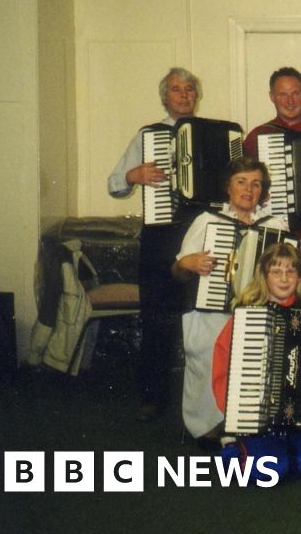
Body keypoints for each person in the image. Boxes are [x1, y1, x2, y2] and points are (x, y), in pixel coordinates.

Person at [171, 157, 289, 447]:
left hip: (260, 311)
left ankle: (248, 424)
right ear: (228, 187)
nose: (248, 190)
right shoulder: (206, 222)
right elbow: (177, 273)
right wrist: (189, 262)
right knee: (208, 355)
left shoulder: (275, 225)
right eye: (241, 182)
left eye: (256, 183)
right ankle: (209, 428)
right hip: (214, 309)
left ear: (264, 191)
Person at [106, 67, 201, 422]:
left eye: (189, 89)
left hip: (200, 232)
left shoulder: (214, 133)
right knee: (156, 317)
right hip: (161, 235)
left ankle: (202, 397)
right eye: (176, 89)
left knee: (202, 316)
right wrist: (134, 176)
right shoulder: (149, 135)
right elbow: (115, 183)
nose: (183, 95)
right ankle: (153, 396)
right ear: (165, 97)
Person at [211, 242, 301, 483]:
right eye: (276, 271)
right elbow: (221, 370)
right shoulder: (247, 316)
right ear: (264, 276)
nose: (284, 278)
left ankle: (289, 449)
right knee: (269, 472)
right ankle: (232, 447)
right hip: (257, 419)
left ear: (300, 277)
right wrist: (236, 413)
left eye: (291, 271)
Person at [242, 67, 301, 159]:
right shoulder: (257, 136)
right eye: (283, 95)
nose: (290, 101)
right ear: (272, 97)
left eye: (295, 93)